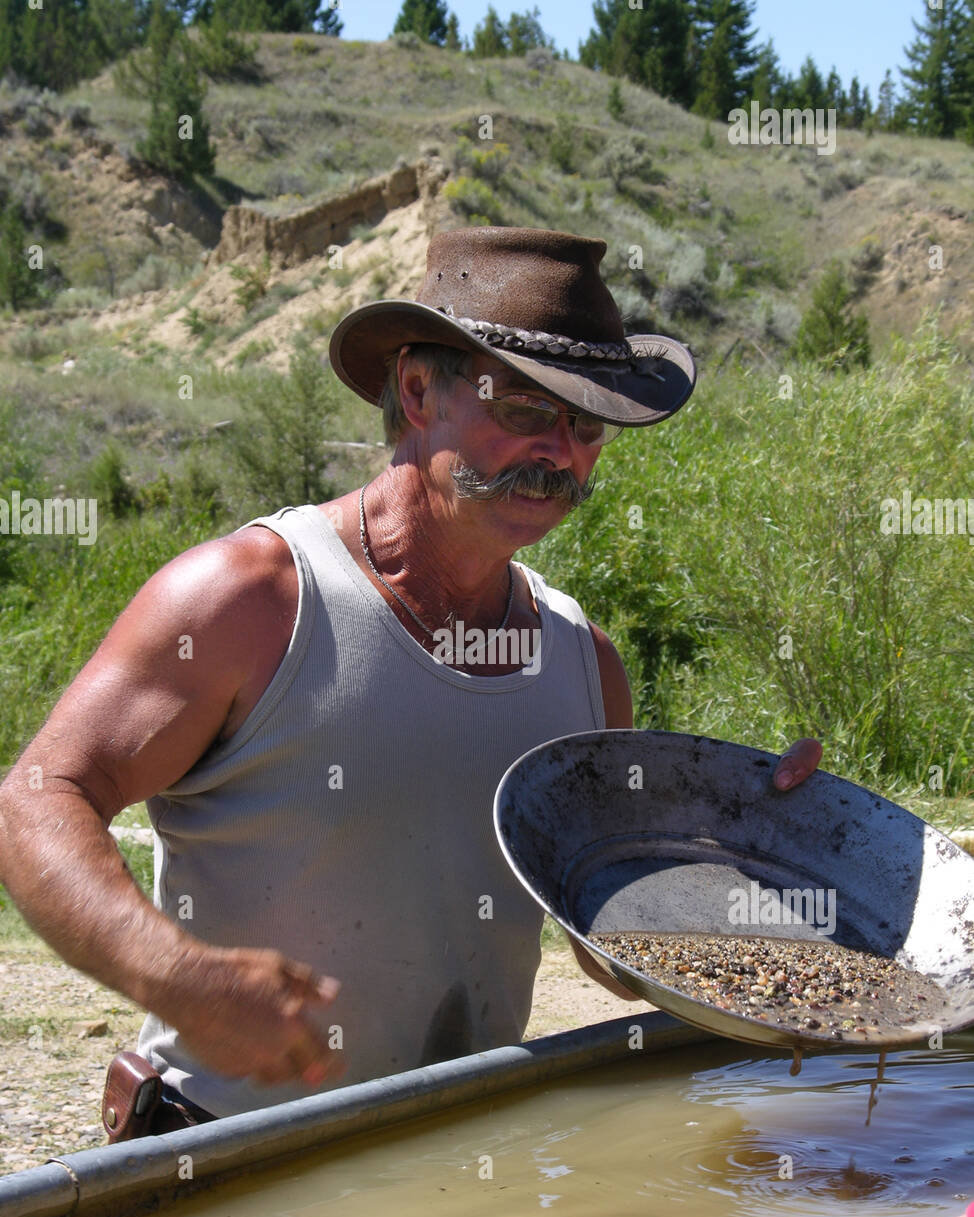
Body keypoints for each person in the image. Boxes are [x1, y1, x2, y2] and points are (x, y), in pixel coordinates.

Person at [0, 226, 821, 1130]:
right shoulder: (254, 601)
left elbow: (611, 945)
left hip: (452, 1168)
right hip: (219, 1167)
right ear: (420, 390)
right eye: (524, 408)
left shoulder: (583, 664)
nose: (562, 451)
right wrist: (177, 977)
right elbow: (38, 796)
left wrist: (749, 853)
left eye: (587, 422)